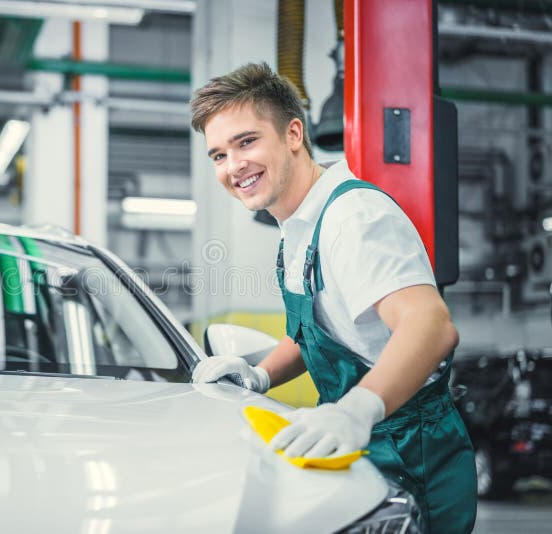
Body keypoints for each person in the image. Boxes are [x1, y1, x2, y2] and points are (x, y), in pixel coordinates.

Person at [189, 62, 476, 533]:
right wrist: (259, 374)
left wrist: (356, 410)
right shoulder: (298, 231)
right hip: (365, 445)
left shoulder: (353, 219)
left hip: (412, 453)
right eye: (218, 155)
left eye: (246, 141)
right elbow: (319, 333)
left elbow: (431, 325)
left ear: (294, 134)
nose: (233, 166)